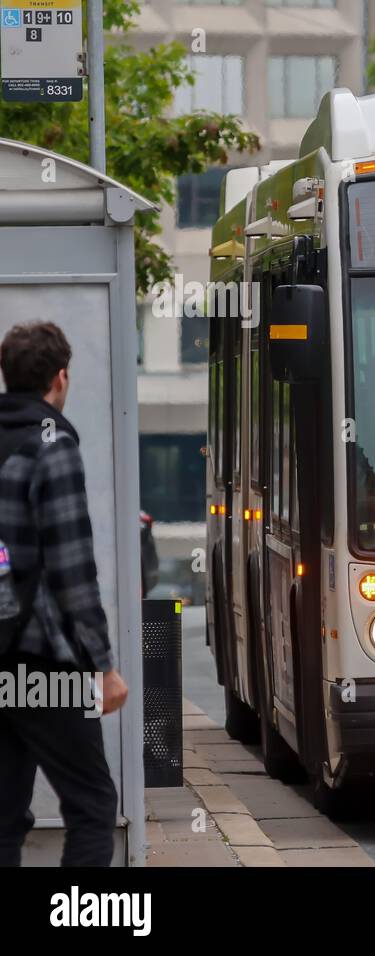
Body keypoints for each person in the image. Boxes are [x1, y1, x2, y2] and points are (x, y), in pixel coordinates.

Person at [0, 321, 126, 867]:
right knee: (93, 806)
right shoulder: (53, 442)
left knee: (4, 814)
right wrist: (101, 665)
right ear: (60, 377)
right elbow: (72, 567)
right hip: (43, 661)